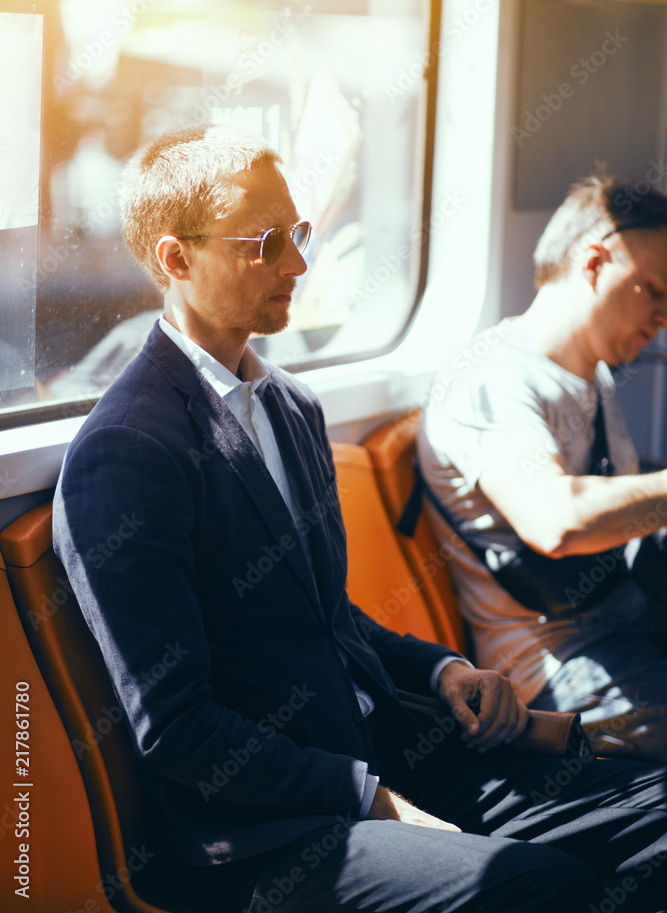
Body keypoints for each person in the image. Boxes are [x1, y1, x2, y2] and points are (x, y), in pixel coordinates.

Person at [53, 132, 667, 913]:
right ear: (177, 259)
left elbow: (327, 617)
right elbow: (178, 731)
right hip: (270, 830)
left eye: (299, 235)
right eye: (266, 244)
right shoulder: (129, 449)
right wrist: (369, 797)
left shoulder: (291, 408)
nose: (297, 265)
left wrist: (442, 672)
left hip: (385, 750)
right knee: (540, 887)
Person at [418, 172, 667, 764]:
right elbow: (556, 523)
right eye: (655, 292)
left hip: (623, 622)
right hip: (555, 672)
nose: (663, 316)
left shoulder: (591, 375)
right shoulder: (491, 379)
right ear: (595, 263)